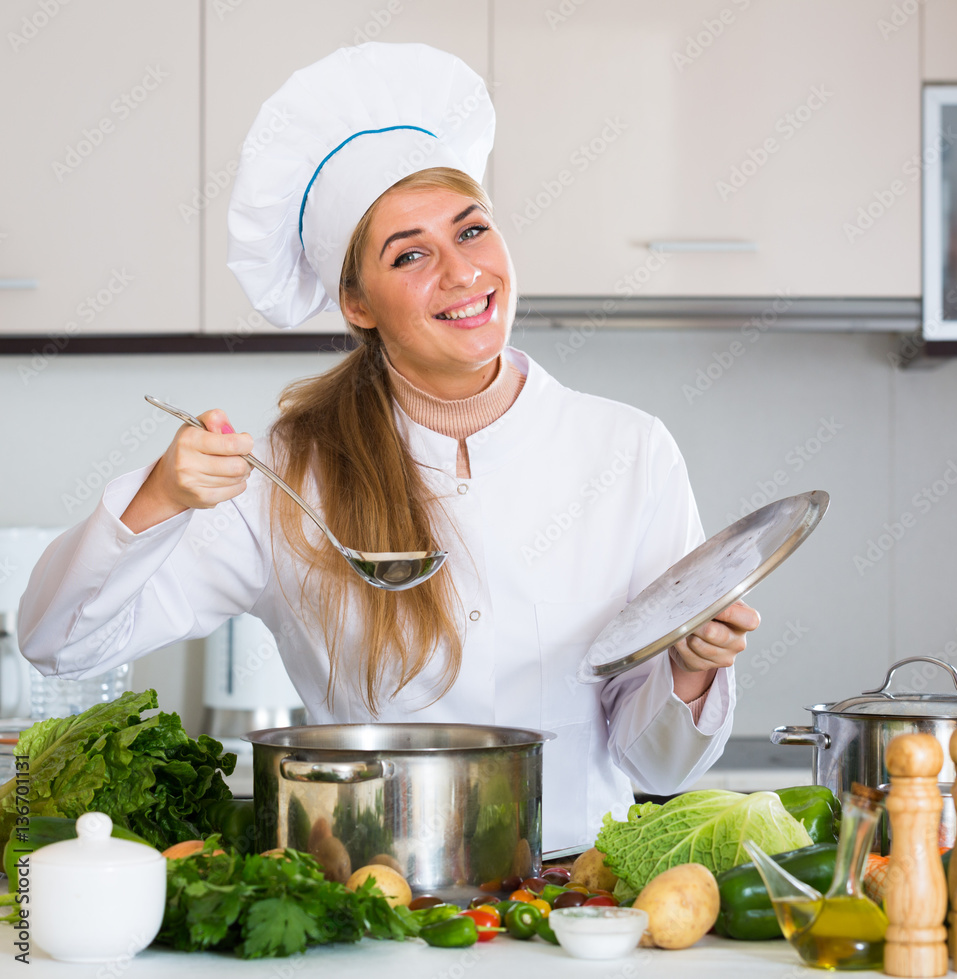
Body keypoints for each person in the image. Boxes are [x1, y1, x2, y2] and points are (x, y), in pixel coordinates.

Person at [17, 42, 759, 851]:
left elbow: (656, 764)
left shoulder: (630, 450)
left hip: (577, 902)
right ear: (356, 302)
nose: (460, 270)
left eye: (472, 230)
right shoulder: (284, 472)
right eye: (409, 253)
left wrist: (689, 667)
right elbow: (59, 641)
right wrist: (161, 494)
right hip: (368, 899)